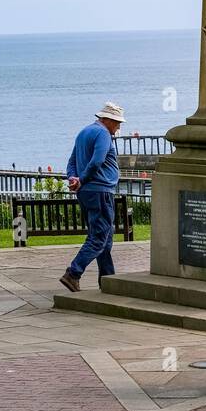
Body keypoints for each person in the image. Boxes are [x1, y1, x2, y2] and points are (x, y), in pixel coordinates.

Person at [59, 102, 125, 293]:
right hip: (100, 190)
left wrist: (74, 178)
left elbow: (72, 161)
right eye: (117, 123)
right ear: (107, 120)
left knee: (105, 237)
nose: (118, 128)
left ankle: (107, 279)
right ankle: (73, 273)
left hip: (87, 192)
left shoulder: (84, 132)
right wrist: (83, 179)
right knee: (98, 237)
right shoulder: (103, 134)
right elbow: (97, 161)